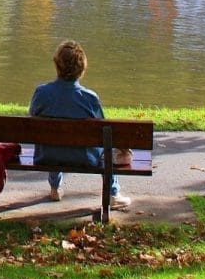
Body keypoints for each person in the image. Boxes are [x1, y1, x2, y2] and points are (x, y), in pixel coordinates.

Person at [29, 40, 131, 210]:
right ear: (82, 69)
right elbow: (105, 132)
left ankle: (55, 188)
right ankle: (113, 194)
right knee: (106, 146)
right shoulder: (89, 98)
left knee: (54, 138)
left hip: (46, 156)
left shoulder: (41, 93)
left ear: (56, 65)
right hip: (85, 158)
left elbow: (32, 117)